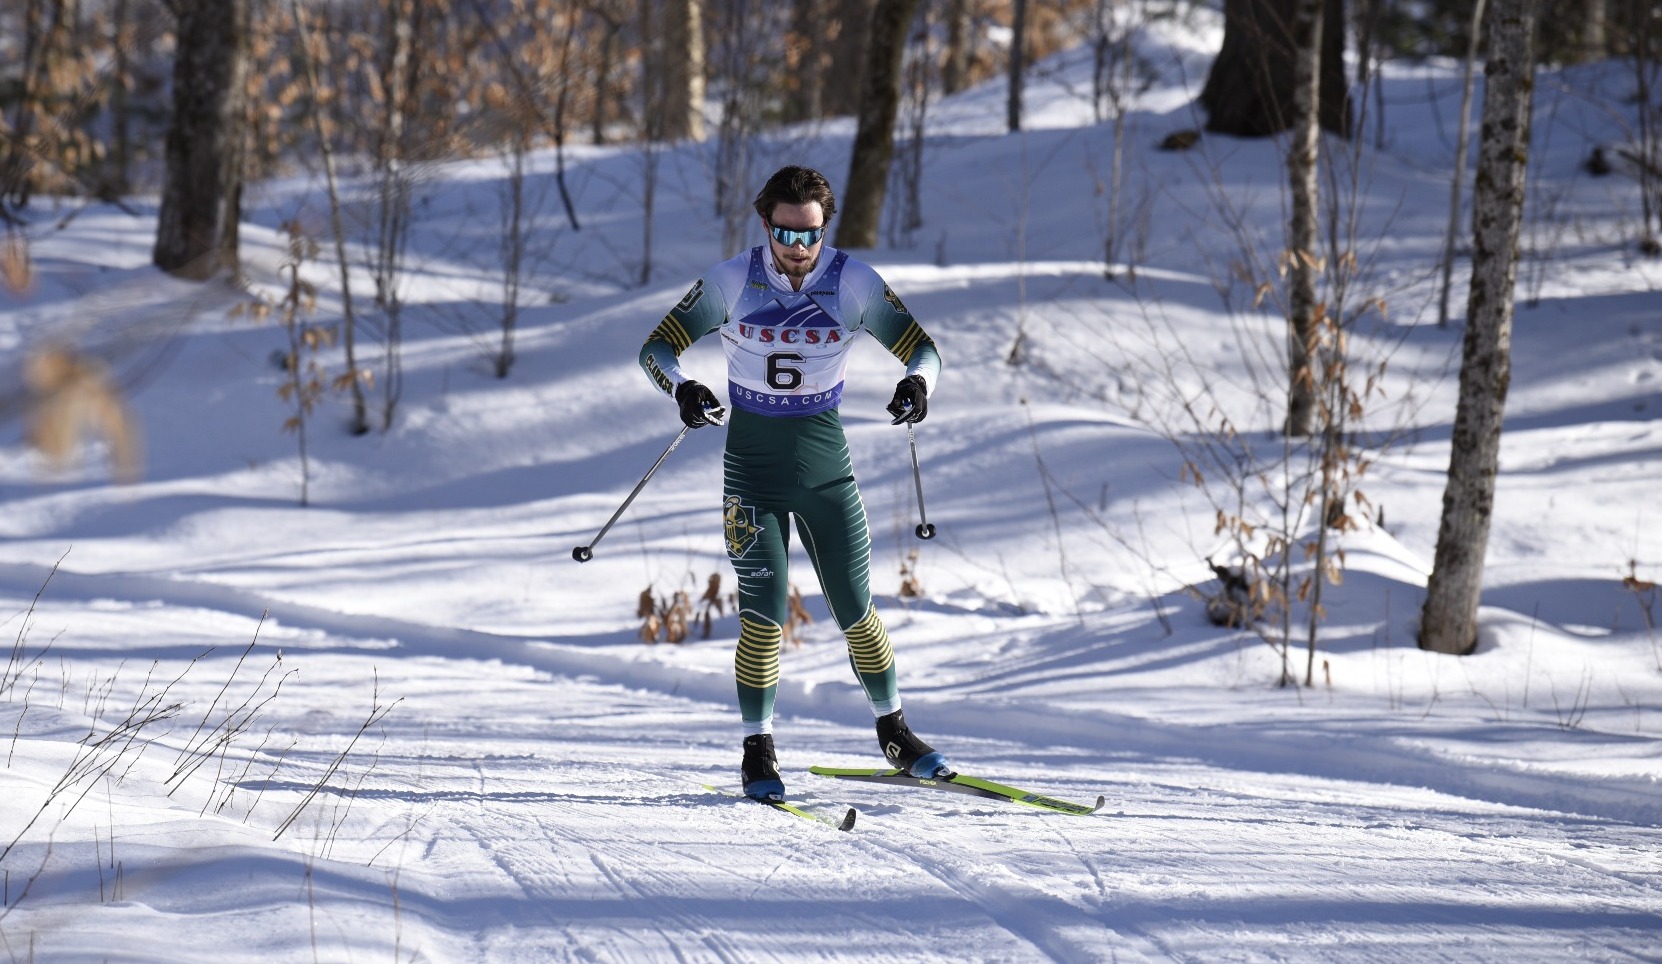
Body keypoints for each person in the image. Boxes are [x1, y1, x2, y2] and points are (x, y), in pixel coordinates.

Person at [638, 165, 951, 802]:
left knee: (857, 611)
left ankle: (894, 732)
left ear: (824, 226)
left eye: (810, 235)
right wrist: (685, 388)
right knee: (765, 617)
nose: (798, 248)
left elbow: (925, 350)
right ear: (766, 224)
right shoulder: (730, 280)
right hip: (751, 472)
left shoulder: (855, 283)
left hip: (826, 469)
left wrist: (919, 385)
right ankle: (758, 748)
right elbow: (656, 350)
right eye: (786, 233)